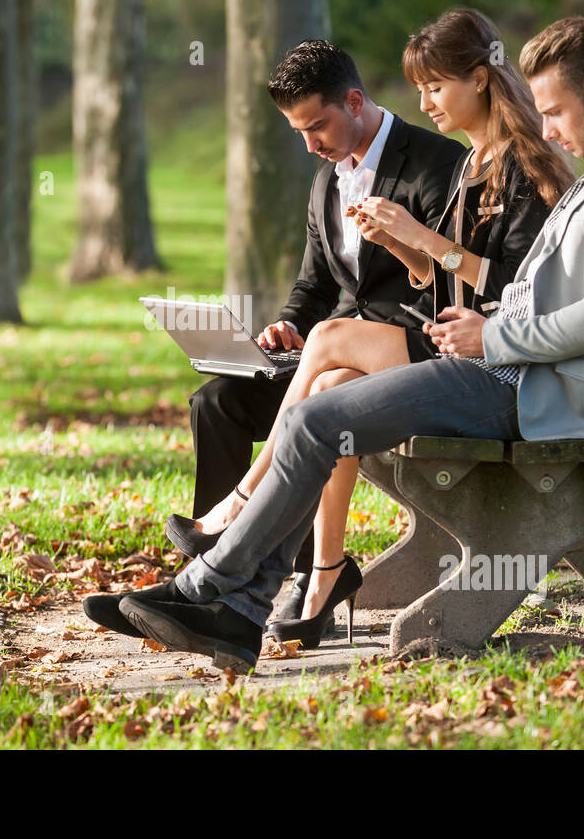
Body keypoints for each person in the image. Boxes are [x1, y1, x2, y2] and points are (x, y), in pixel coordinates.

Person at [97, 16, 584, 672]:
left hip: (535, 389)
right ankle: (227, 604)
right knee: (312, 415)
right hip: (511, 370)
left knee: (316, 419)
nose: (546, 127)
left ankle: (215, 596)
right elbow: (544, 291)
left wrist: (491, 333)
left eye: (554, 111)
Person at [160, 9, 572, 649]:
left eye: (436, 87)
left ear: (480, 80)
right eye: (421, 90)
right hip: (423, 349)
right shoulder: (458, 166)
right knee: (288, 389)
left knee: (330, 343)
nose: (426, 102)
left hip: (472, 360)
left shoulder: (481, 165)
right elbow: (360, 282)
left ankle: (240, 510)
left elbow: (513, 290)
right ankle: (313, 576)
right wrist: (403, 255)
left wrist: (415, 238)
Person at [84, 40, 465, 637]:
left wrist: (359, 320)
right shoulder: (325, 182)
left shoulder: (435, 163)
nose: (311, 143)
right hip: (330, 348)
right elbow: (316, 286)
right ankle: (207, 574)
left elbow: (446, 285)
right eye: (298, 132)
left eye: (318, 125)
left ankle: (238, 555)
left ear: (356, 101)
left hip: (404, 355)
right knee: (219, 401)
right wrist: (287, 323)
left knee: (324, 397)